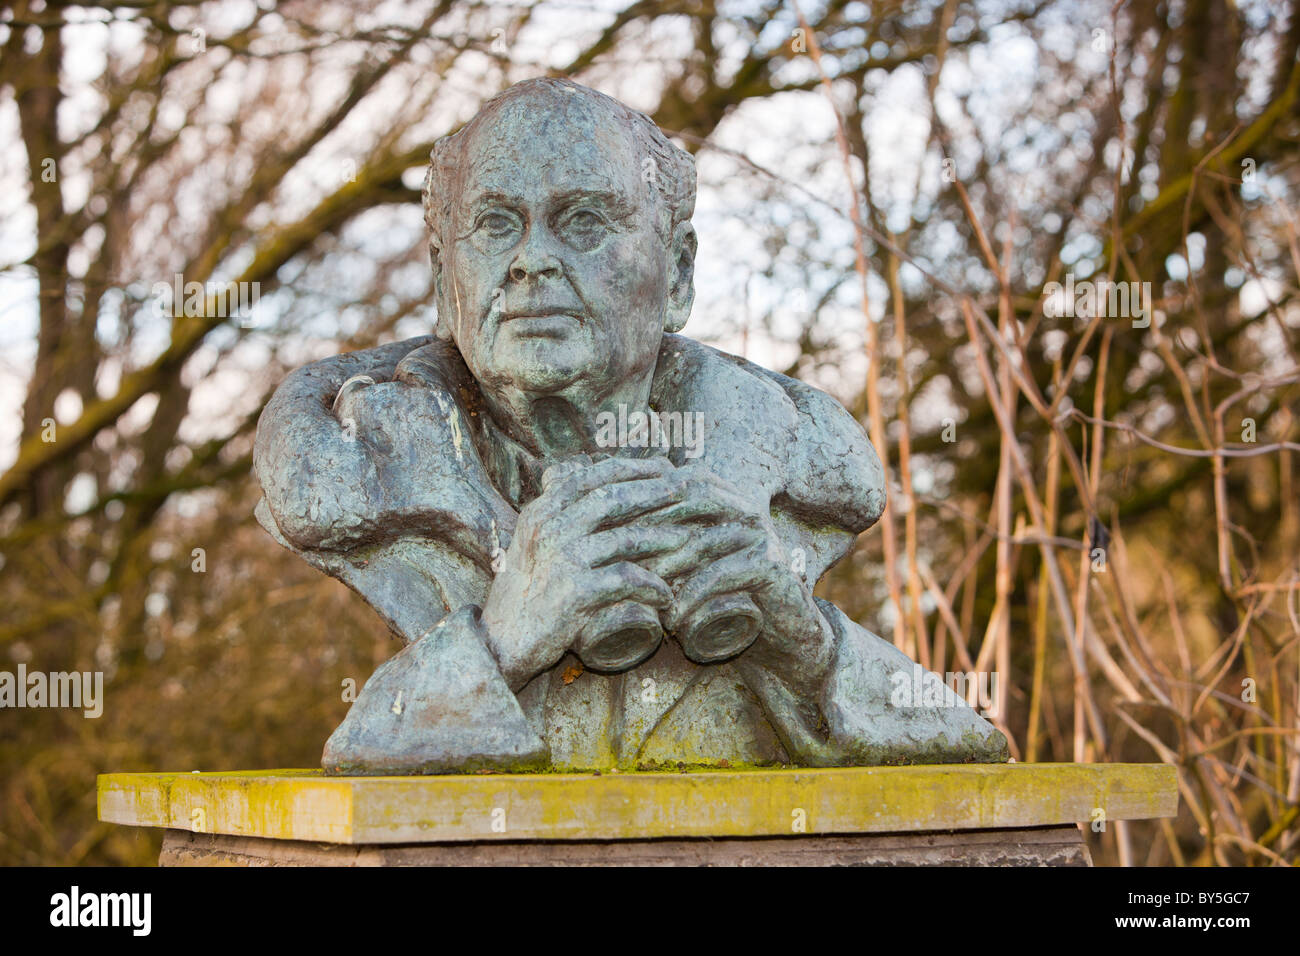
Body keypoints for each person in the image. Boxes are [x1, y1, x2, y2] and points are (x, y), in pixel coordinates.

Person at [253, 77, 1006, 773]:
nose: (530, 262)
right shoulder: (364, 476)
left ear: (677, 275)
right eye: (494, 225)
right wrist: (500, 644)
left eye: (583, 221)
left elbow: (973, 756)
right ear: (444, 281)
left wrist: (810, 651)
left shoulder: (790, 472)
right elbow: (354, 765)